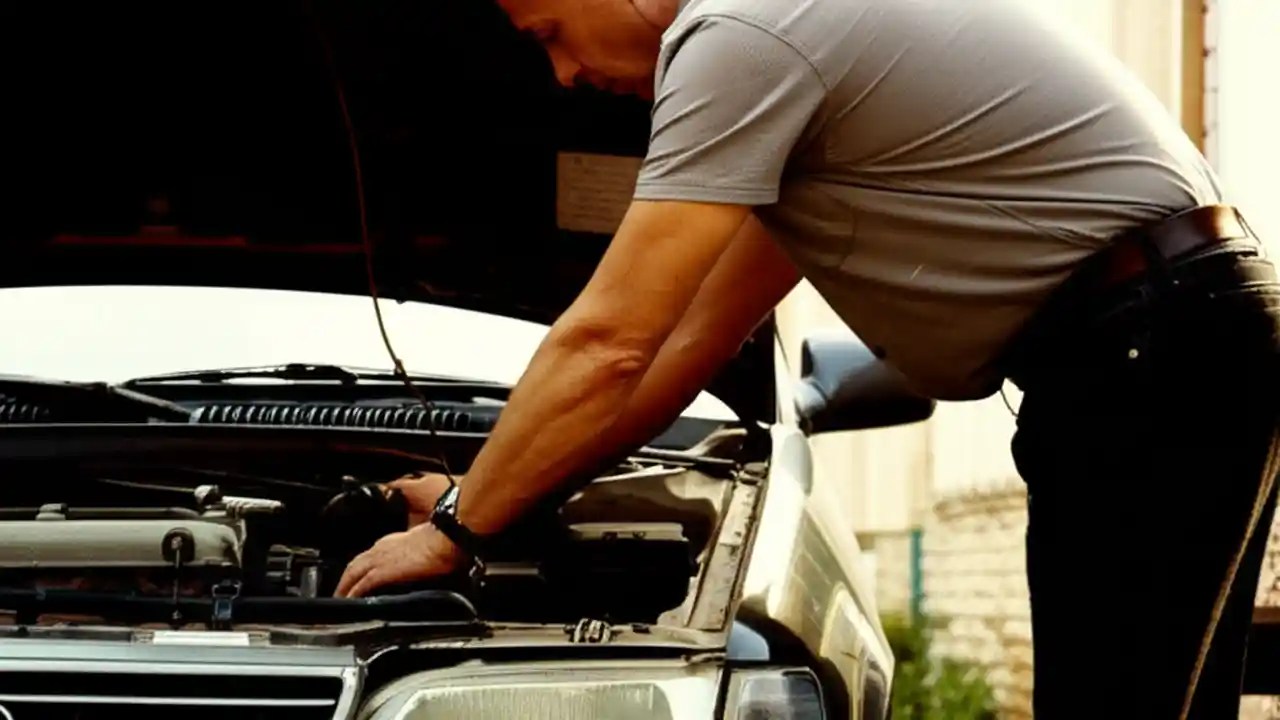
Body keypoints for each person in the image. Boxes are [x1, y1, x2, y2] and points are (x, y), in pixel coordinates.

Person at [334, 0, 1280, 716]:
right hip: (1186, 332)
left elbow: (609, 339)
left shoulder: (738, 39)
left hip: (1155, 342)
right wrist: (487, 497)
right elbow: (680, 346)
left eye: (549, 32)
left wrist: (453, 534)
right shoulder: (783, 48)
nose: (563, 76)